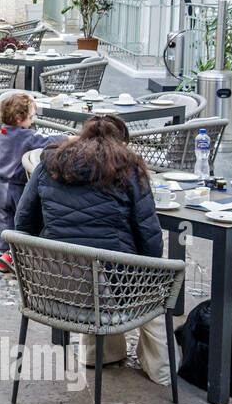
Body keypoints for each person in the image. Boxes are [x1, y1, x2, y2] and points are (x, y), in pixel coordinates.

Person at [13, 115, 173, 383]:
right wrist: (149, 275)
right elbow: (150, 240)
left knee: (89, 261)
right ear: (121, 144)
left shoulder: (49, 165)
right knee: (150, 282)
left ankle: (100, 354)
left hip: (52, 285)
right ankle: (163, 372)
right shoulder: (130, 170)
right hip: (110, 288)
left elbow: (22, 223)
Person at [0, 93, 67, 275]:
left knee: (4, 221)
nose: (32, 121)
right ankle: (19, 256)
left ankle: (5, 253)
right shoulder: (26, 136)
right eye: (31, 117)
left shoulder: (4, 131)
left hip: (1, 187)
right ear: (19, 118)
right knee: (21, 222)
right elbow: (46, 141)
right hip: (17, 186)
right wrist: (67, 138)